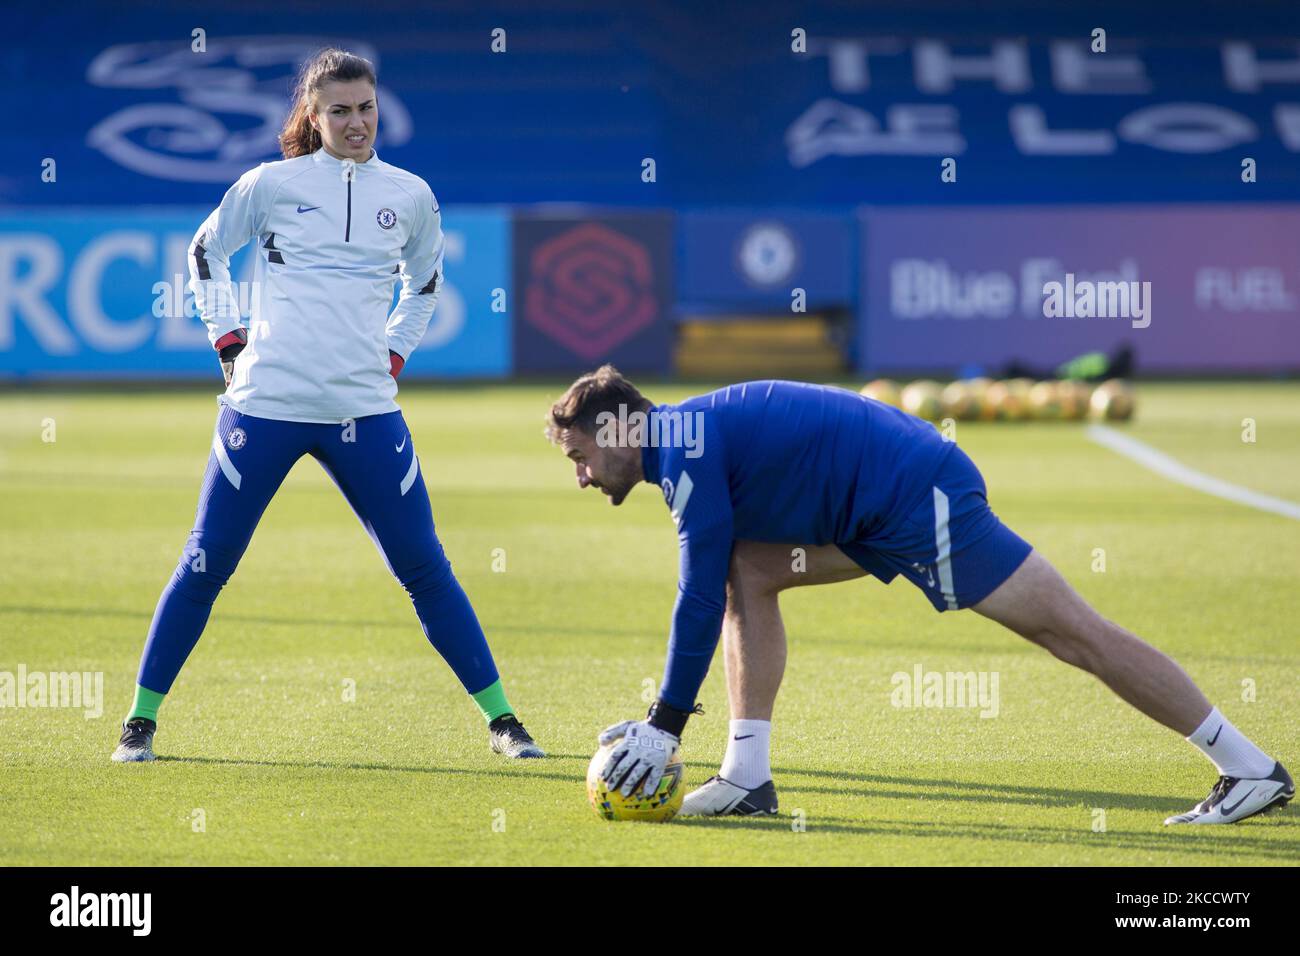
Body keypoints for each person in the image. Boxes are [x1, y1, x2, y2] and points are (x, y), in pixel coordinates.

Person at [545, 366, 1291, 824]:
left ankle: (1250, 769)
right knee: (754, 571)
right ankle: (747, 777)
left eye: (580, 457)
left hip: (916, 497)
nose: (581, 476)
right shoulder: (681, 437)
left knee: (1074, 634)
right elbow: (719, 580)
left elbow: (694, 594)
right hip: (879, 503)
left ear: (615, 427)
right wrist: (665, 721)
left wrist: (664, 725)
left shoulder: (685, 451)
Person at [113, 48, 543, 763]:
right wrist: (228, 339)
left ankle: (503, 722)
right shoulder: (270, 184)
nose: (356, 122)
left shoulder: (409, 194)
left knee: (424, 567)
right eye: (339, 110)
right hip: (266, 405)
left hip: (365, 411)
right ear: (313, 116)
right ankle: (139, 723)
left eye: (366, 108)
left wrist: (394, 355)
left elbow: (425, 285)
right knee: (204, 563)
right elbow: (204, 252)